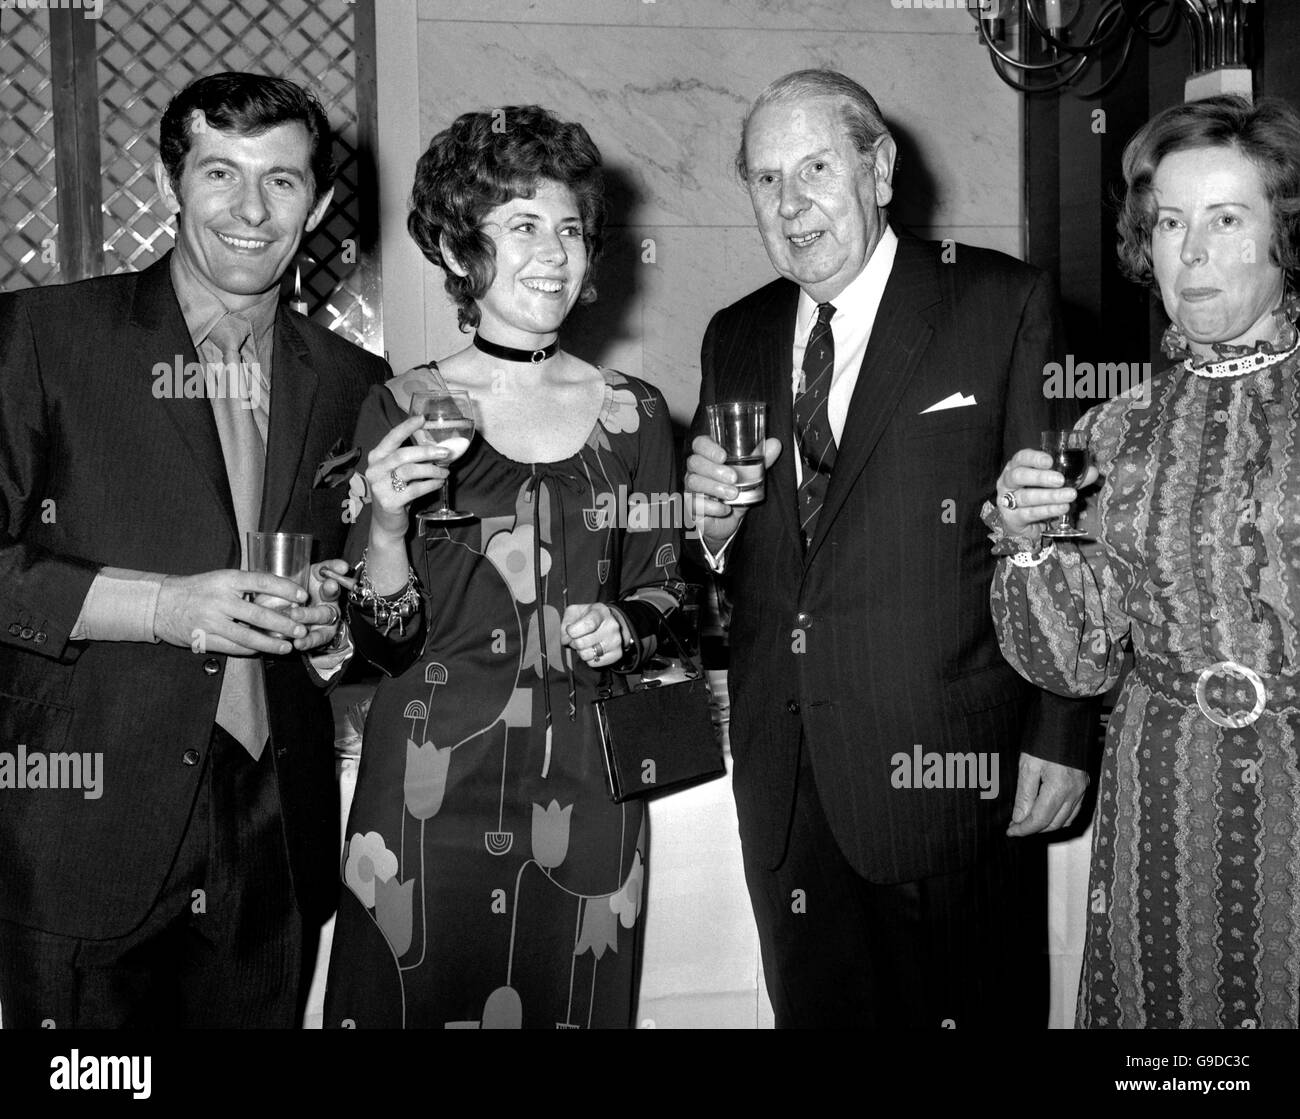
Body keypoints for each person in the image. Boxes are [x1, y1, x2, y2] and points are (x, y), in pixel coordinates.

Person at [683, 69, 1093, 1028]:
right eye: (765, 178)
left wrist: (1061, 732)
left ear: (880, 168)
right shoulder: (733, 334)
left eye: (817, 168)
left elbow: (1062, 531)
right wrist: (709, 526)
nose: (791, 204)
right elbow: (737, 565)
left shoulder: (1000, 300)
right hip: (787, 781)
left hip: (950, 774)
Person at [0, 72, 388, 1028]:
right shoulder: (45, 336)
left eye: (283, 181)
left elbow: (359, 598)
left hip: (275, 831)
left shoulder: (353, 379)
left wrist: (333, 614)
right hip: (86, 824)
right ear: (172, 181)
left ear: (321, 202)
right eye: (221, 173)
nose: (251, 210)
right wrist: (168, 607)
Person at [323, 105, 685, 1029]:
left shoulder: (635, 414)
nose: (556, 253)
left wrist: (630, 624)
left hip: (589, 786)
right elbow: (379, 638)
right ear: (455, 247)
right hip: (427, 792)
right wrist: (389, 528)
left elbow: (667, 585)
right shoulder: (403, 405)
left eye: (570, 228)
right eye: (523, 225)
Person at [991, 94, 1300, 1029]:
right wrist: (1031, 539)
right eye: (1169, 222)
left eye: (1227, 218)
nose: (1192, 250)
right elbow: (1073, 662)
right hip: (1164, 795)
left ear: (1285, 238)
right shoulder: (1110, 431)